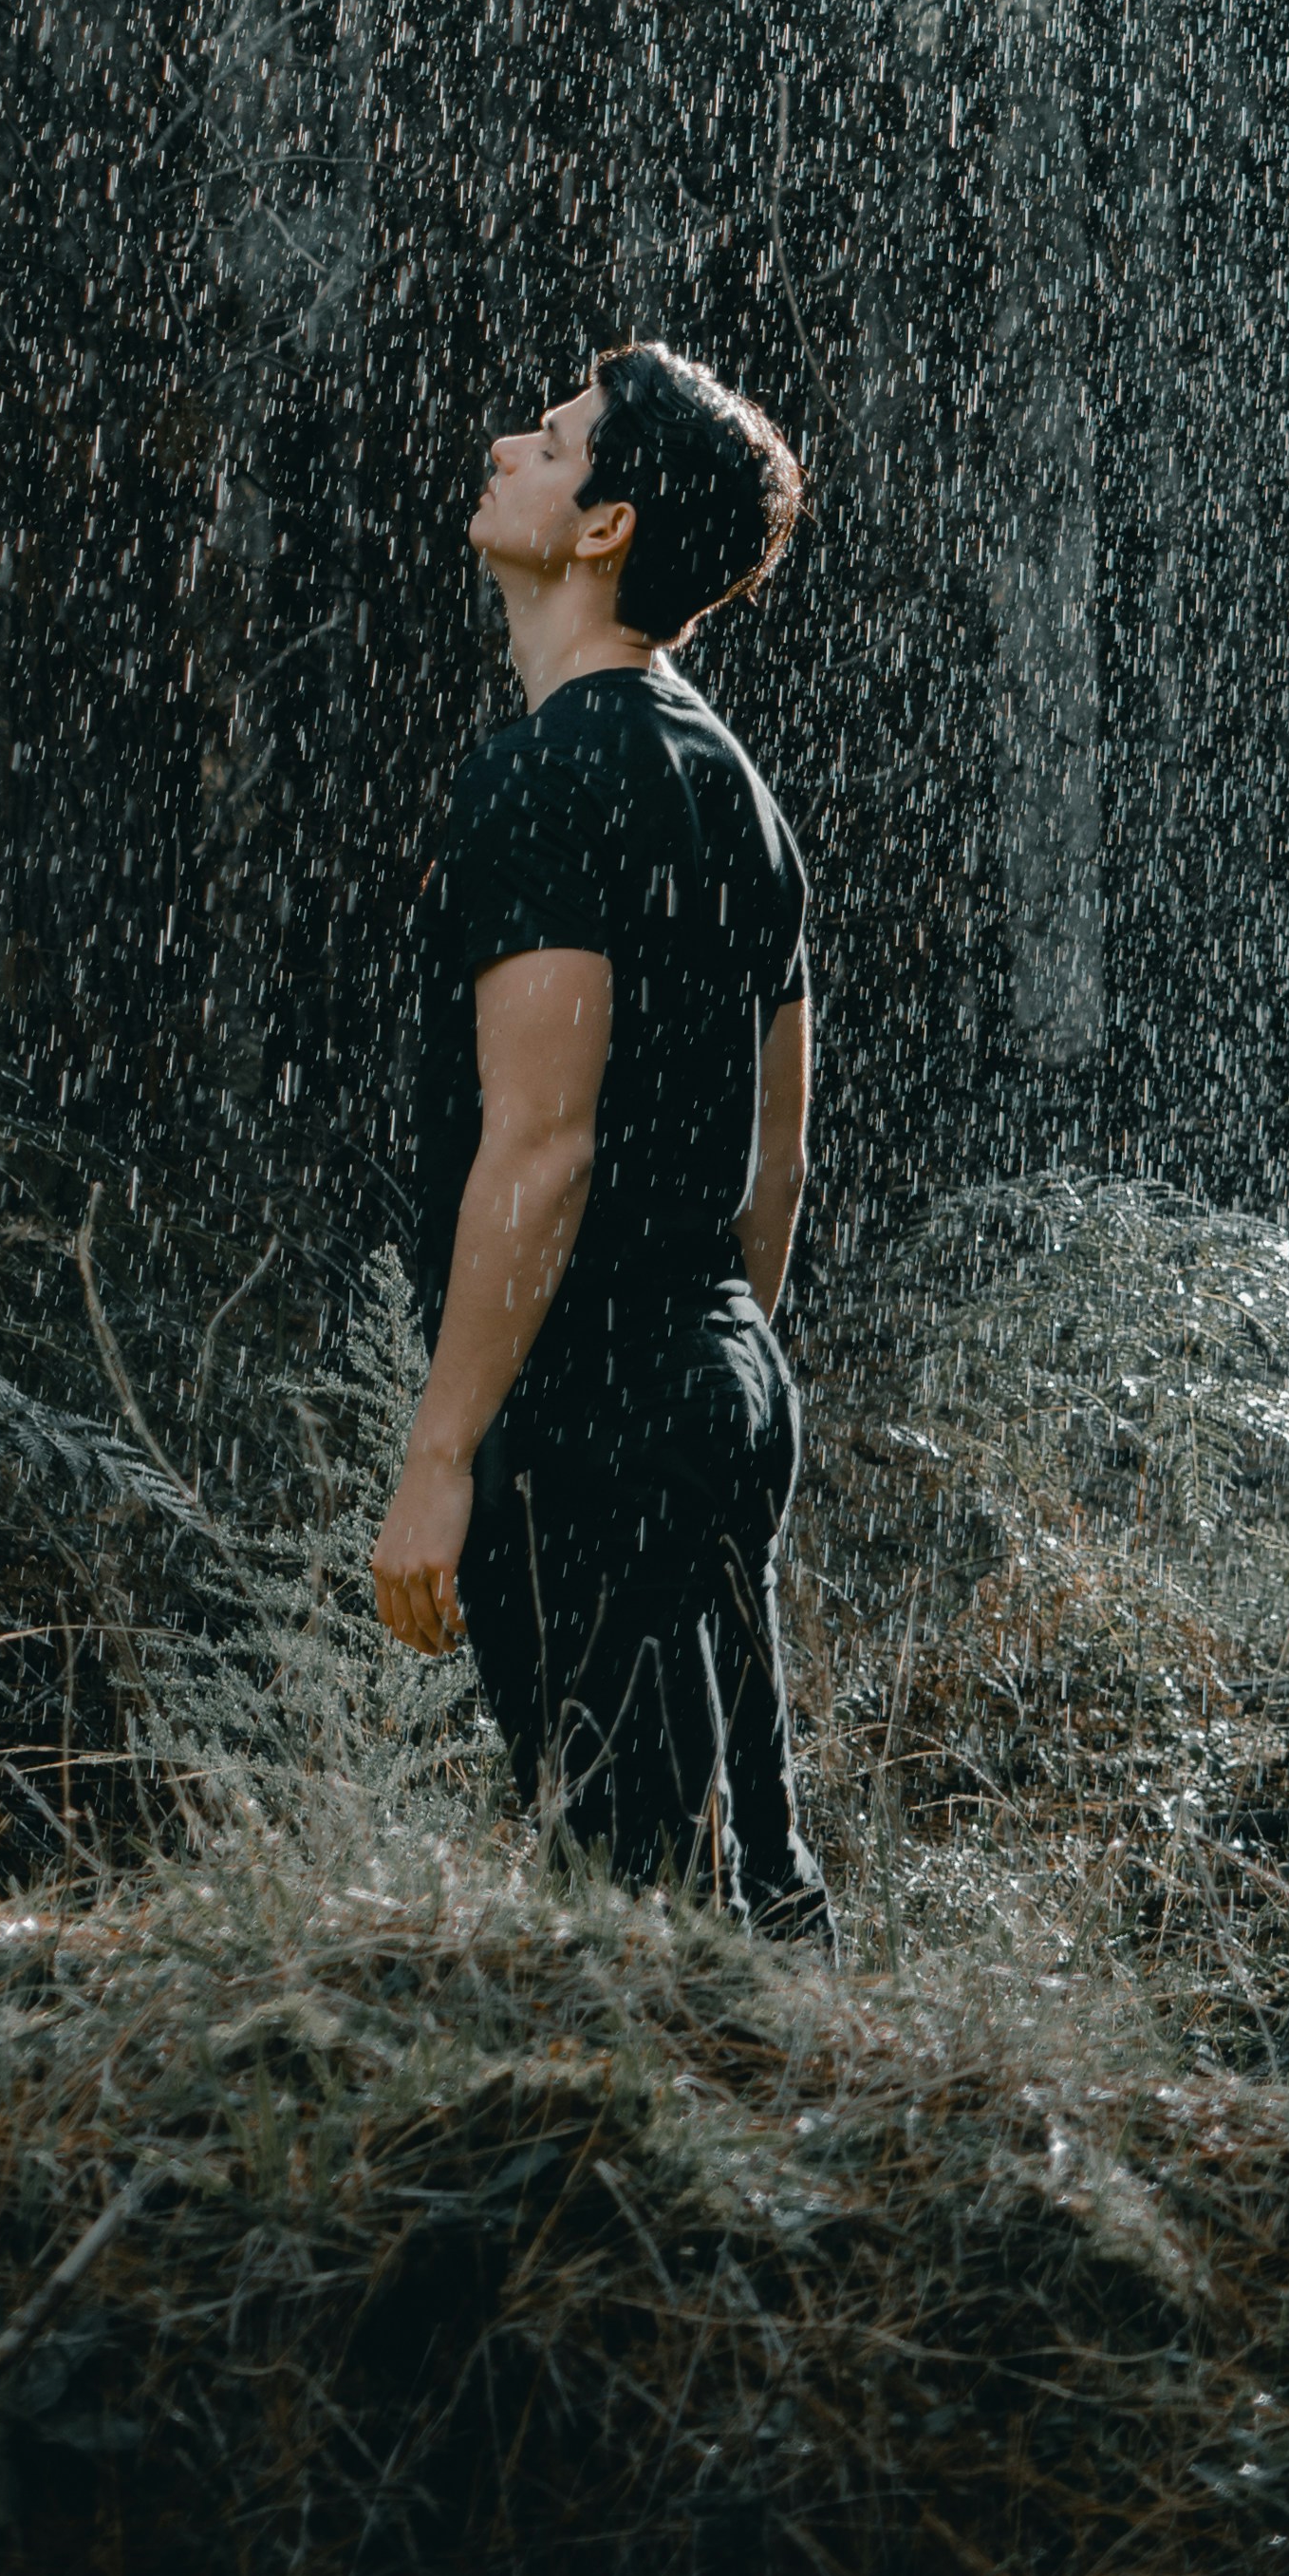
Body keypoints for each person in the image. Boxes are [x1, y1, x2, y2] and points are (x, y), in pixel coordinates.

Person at [371, 340, 834, 1938]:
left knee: (645, 1924)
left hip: (594, 1416)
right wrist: (715, 1373)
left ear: (603, 527)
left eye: (553, 442)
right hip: (719, 1383)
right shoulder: (741, 788)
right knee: (753, 1893)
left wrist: (441, 1462)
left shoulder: (547, 775)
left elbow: (541, 1148)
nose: (508, 444)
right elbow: (776, 1169)